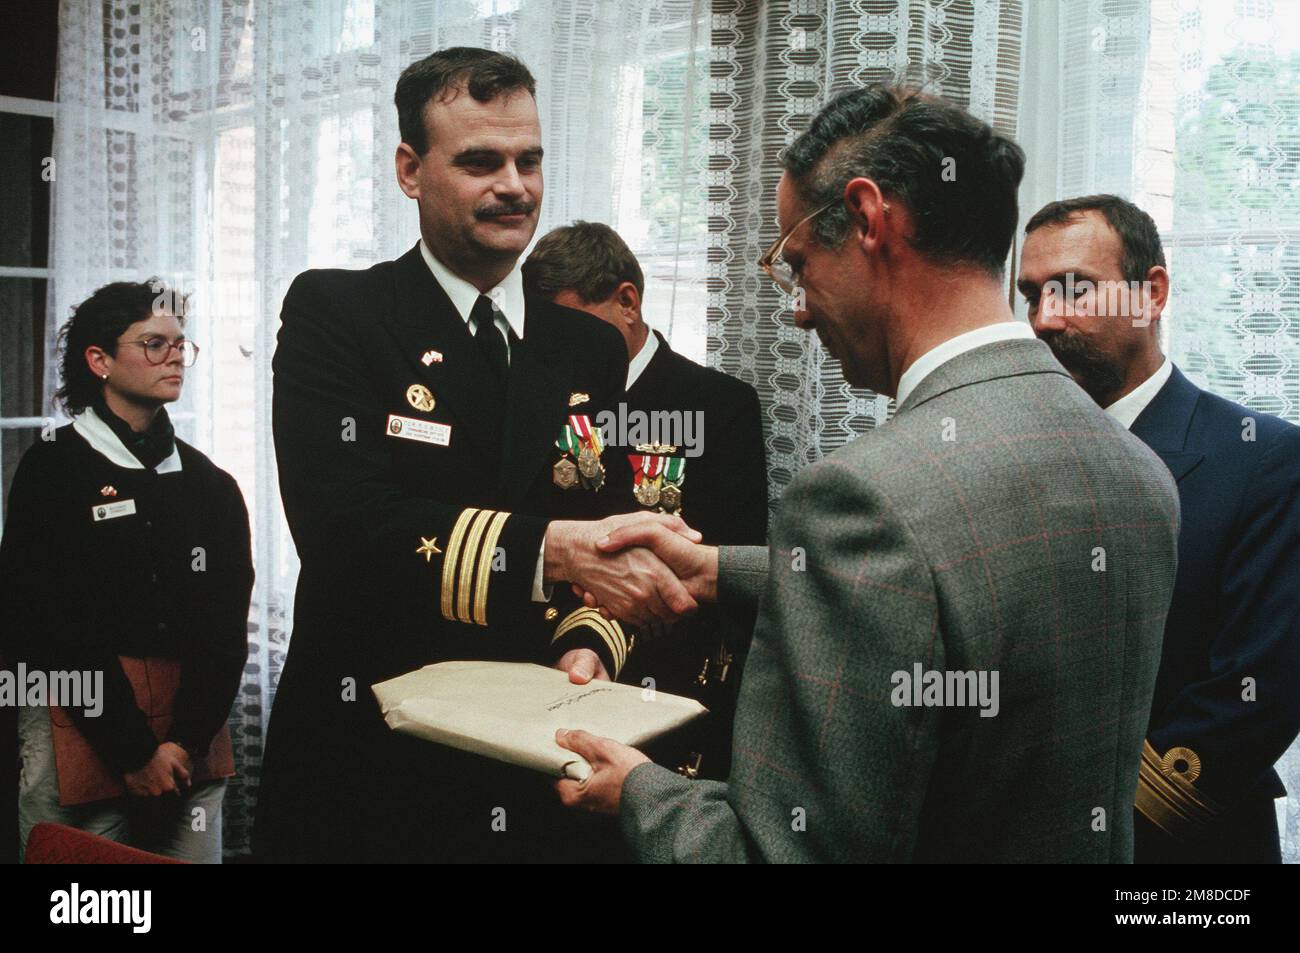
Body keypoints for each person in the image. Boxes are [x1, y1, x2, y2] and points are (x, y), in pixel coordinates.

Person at [554, 85, 1181, 863]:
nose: (799, 310)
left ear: (869, 220)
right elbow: (947, 593)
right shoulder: (1141, 468)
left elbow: (790, 855)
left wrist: (641, 792)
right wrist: (715, 569)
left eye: (800, 263)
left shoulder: (863, 498)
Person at [255, 47, 699, 863]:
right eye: (480, 161)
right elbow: (344, 528)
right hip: (371, 768)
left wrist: (591, 640)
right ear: (409, 170)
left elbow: (602, 522)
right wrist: (551, 551)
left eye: (530, 160)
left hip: (538, 764)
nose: (515, 186)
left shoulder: (587, 347)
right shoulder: (337, 312)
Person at [1018, 194, 1300, 863]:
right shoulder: (1017, 455)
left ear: (1152, 293)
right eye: (1030, 296)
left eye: (1073, 290)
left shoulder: (1263, 458)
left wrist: (1096, 828)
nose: (1044, 318)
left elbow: (1257, 689)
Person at [0, 279, 253, 863]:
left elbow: (223, 630)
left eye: (181, 345)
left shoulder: (211, 485)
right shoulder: (52, 472)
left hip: (188, 738)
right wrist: (135, 752)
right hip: (78, 724)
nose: (174, 358)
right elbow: (48, 622)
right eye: (153, 344)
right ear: (100, 361)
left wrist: (180, 746)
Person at [523, 221, 768, 780]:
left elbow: (729, 562)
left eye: (569, 324)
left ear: (627, 302)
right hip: (548, 675)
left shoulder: (716, 405)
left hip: (665, 688)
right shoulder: (542, 400)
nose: (557, 345)